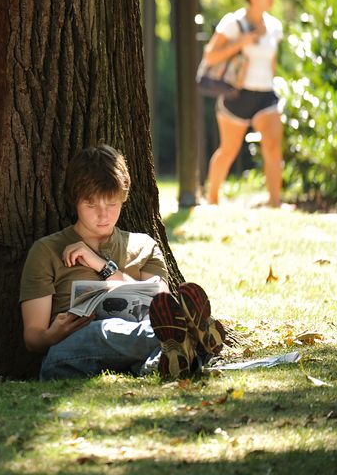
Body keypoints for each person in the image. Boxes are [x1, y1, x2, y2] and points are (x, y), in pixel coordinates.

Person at [19, 145, 226, 380]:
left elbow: (161, 306)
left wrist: (102, 266)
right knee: (102, 330)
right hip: (70, 353)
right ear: (74, 201)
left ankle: (170, 361)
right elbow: (33, 338)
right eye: (91, 205)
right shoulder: (46, 251)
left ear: (123, 198)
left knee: (158, 337)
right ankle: (194, 341)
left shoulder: (143, 246)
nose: (103, 215)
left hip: (138, 347)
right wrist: (52, 335)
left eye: (111, 204)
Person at [203, 0, 285, 208]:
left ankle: (275, 202)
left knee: (272, 145)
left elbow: (271, 62)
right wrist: (242, 41)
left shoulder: (274, 27)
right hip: (236, 96)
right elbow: (210, 56)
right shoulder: (233, 23)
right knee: (228, 150)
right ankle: (212, 198)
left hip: (266, 95)